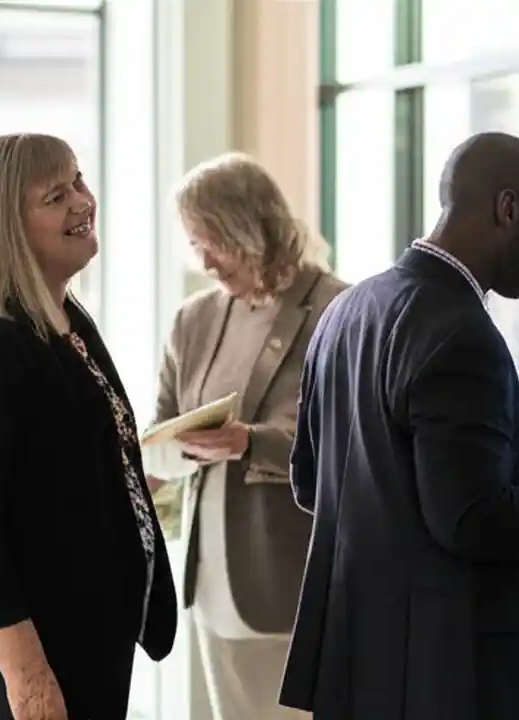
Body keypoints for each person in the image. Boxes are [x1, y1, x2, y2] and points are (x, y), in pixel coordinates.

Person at [279, 131, 519, 720]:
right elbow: (472, 519)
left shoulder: (346, 310)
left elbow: (310, 482)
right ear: (508, 208)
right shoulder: (460, 333)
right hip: (455, 679)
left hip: (364, 669)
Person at [0, 133, 177, 719]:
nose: (83, 201)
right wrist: (27, 676)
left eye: (78, 181)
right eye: (55, 195)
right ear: (6, 227)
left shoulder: (66, 322)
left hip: (76, 633)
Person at [150, 152, 347, 720]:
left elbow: (344, 445)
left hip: (291, 579)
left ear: (255, 227)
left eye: (214, 241)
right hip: (211, 583)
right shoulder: (193, 320)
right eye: (194, 244)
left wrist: (250, 442)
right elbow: (160, 425)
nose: (205, 262)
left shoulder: (335, 308)